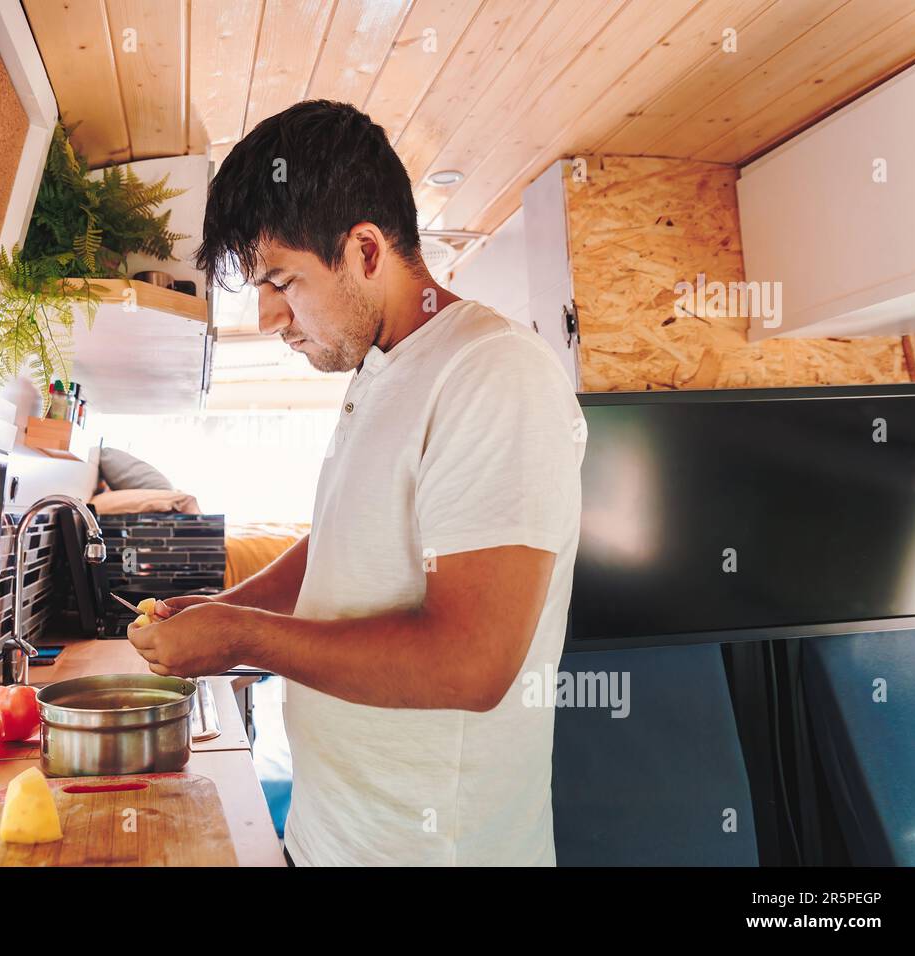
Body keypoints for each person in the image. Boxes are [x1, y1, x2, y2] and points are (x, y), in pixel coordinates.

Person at [126, 100, 585, 866]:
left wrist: (242, 639)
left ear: (366, 250)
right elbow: (341, 542)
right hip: (328, 835)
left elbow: (471, 662)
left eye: (283, 281)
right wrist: (223, 606)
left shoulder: (496, 375)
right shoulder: (379, 371)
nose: (271, 317)